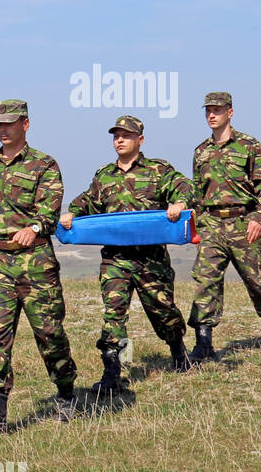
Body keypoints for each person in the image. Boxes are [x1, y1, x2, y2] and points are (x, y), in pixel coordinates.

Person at [0, 99, 77, 436]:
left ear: (25, 125)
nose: (3, 129)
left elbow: (51, 210)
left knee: (49, 333)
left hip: (36, 263)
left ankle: (67, 392)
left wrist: (35, 228)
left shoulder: (45, 164)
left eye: (9, 123)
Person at [60, 115, 193, 392]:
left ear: (140, 140)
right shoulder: (104, 175)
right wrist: (72, 211)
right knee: (113, 315)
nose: (120, 140)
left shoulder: (158, 170)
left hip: (151, 259)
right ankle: (112, 373)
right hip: (115, 260)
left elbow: (185, 186)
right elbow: (88, 200)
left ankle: (178, 352)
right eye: (116, 135)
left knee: (163, 311)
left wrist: (179, 203)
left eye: (126, 135)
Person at [187, 92, 261, 359]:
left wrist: (258, 217)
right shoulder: (200, 151)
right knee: (206, 282)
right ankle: (203, 343)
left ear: (230, 112)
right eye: (208, 110)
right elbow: (197, 192)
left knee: (258, 282)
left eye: (217, 109)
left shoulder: (249, 145)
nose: (211, 114)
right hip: (212, 225)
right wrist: (197, 224)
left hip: (244, 223)